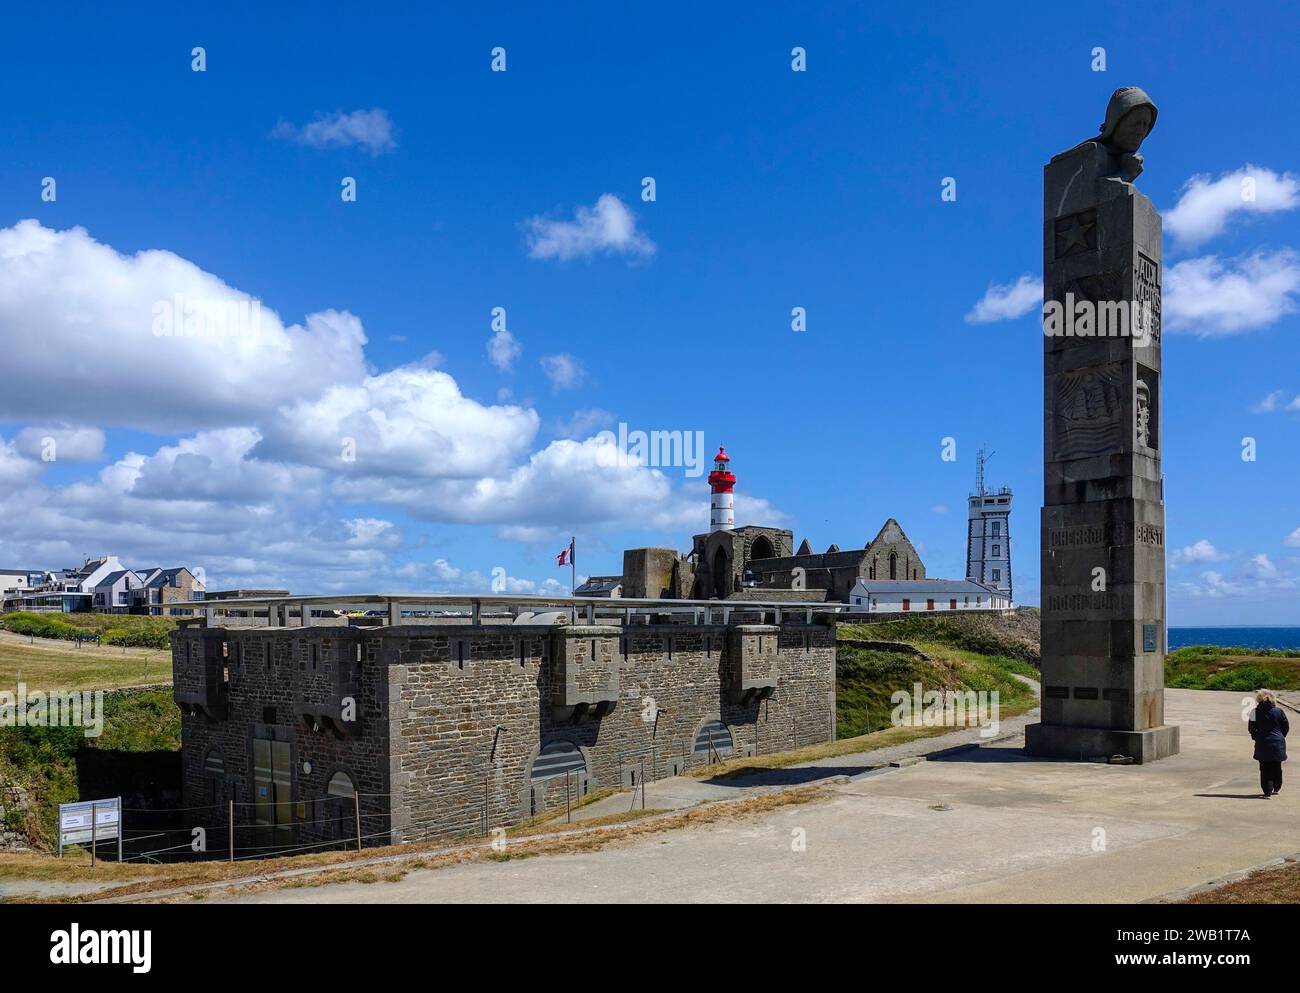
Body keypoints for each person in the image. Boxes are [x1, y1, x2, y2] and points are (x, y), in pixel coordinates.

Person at [1248, 689, 1289, 798]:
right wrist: (1280, 736)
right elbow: (1285, 726)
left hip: (1262, 741)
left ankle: (1267, 791)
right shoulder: (1279, 711)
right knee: (1276, 765)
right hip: (1277, 742)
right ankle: (1277, 787)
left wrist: (1256, 737)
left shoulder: (1254, 712)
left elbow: (1251, 728)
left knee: (1264, 767)